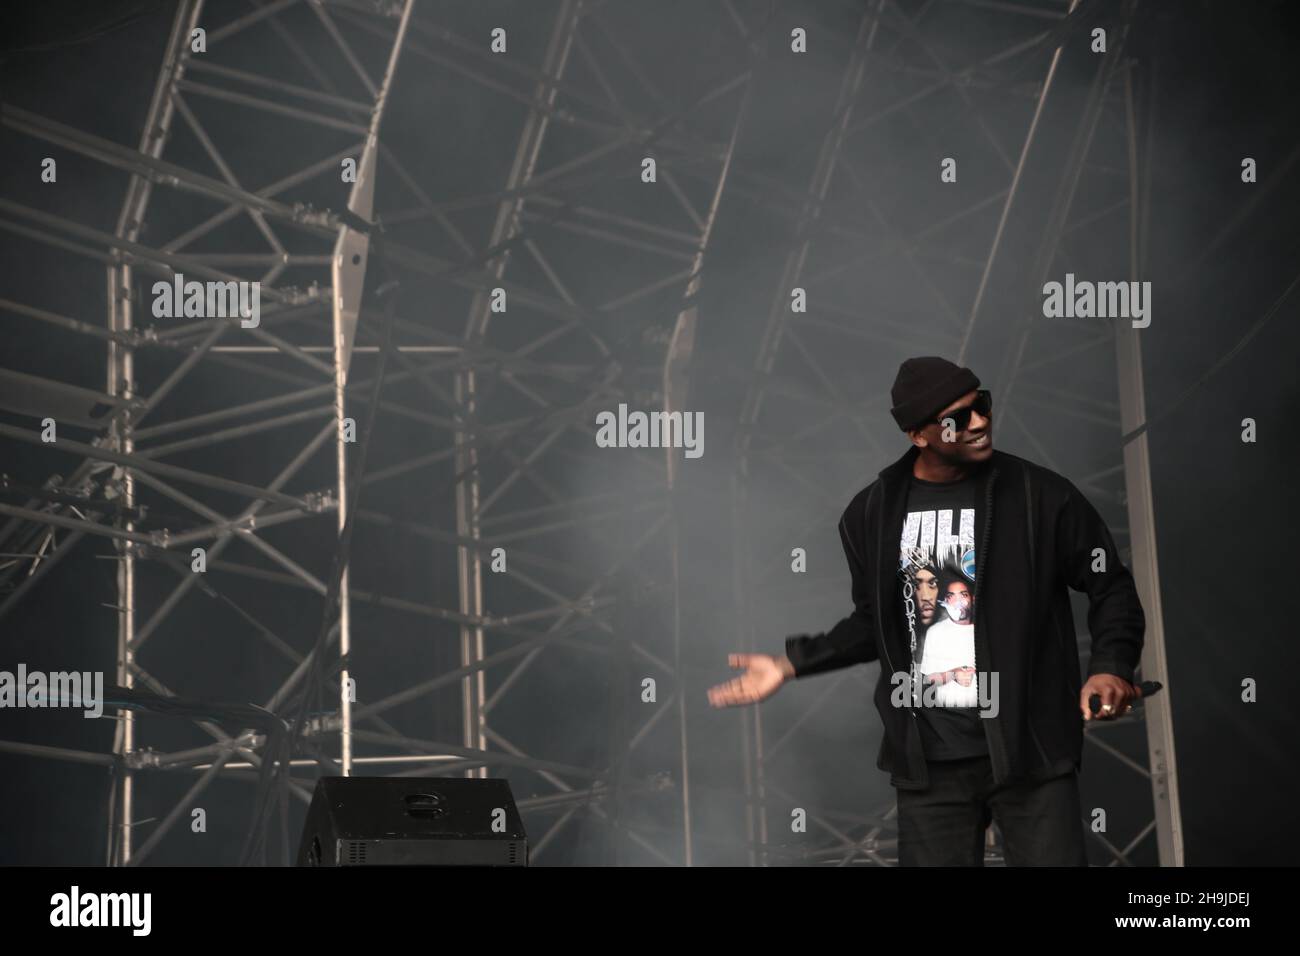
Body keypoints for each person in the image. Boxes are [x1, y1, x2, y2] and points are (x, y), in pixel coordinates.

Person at [707, 356, 1146, 866]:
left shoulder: (1038, 495)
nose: (980, 422)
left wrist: (1111, 667)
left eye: (981, 405)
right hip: (929, 759)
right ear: (919, 435)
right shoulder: (870, 513)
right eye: (959, 417)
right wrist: (789, 664)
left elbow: (1110, 584)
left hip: (1031, 748)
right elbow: (874, 622)